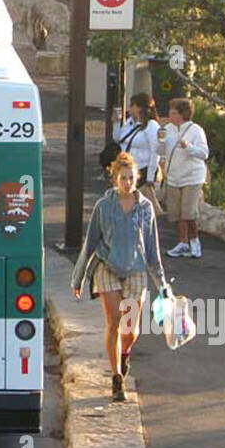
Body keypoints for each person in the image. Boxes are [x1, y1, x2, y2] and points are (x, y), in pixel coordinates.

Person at [70, 152, 167, 403]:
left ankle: (125, 353)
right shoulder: (104, 206)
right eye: (123, 178)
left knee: (130, 329)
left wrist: (162, 285)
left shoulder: (145, 208)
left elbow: (152, 249)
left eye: (131, 178)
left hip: (135, 270)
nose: (127, 182)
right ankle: (116, 377)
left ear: (137, 178)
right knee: (113, 322)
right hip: (108, 268)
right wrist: (78, 278)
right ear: (114, 179)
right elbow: (90, 242)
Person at [161, 97, 210, 259]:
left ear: (182, 115)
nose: (170, 115)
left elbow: (204, 153)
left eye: (174, 112)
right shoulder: (167, 129)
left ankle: (195, 242)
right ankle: (182, 243)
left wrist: (188, 147)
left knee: (188, 212)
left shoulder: (196, 130)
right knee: (176, 213)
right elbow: (159, 150)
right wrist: (159, 142)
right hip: (174, 176)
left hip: (192, 177)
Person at [111, 93, 162, 216]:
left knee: (137, 206)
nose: (129, 108)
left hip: (142, 170)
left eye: (132, 105)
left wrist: (150, 177)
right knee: (124, 202)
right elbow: (118, 139)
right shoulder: (129, 123)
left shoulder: (151, 126)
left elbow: (156, 151)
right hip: (126, 167)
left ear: (139, 108)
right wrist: (116, 124)